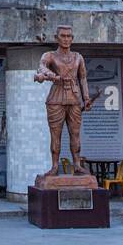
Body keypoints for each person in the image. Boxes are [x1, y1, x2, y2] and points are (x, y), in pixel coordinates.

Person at [35, 25, 92, 175]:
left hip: (74, 98)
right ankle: (54, 166)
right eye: (63, 36)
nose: (66, 39)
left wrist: (86, 98)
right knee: (55, 134)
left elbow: (83, 78)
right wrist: (52, 76)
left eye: (69, 36)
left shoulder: (78, 57)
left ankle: (77, 165)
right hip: (56, 98)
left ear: (72, 39)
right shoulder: (50, 55)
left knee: (75, 134)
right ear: (56, 38)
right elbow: (41, 67)